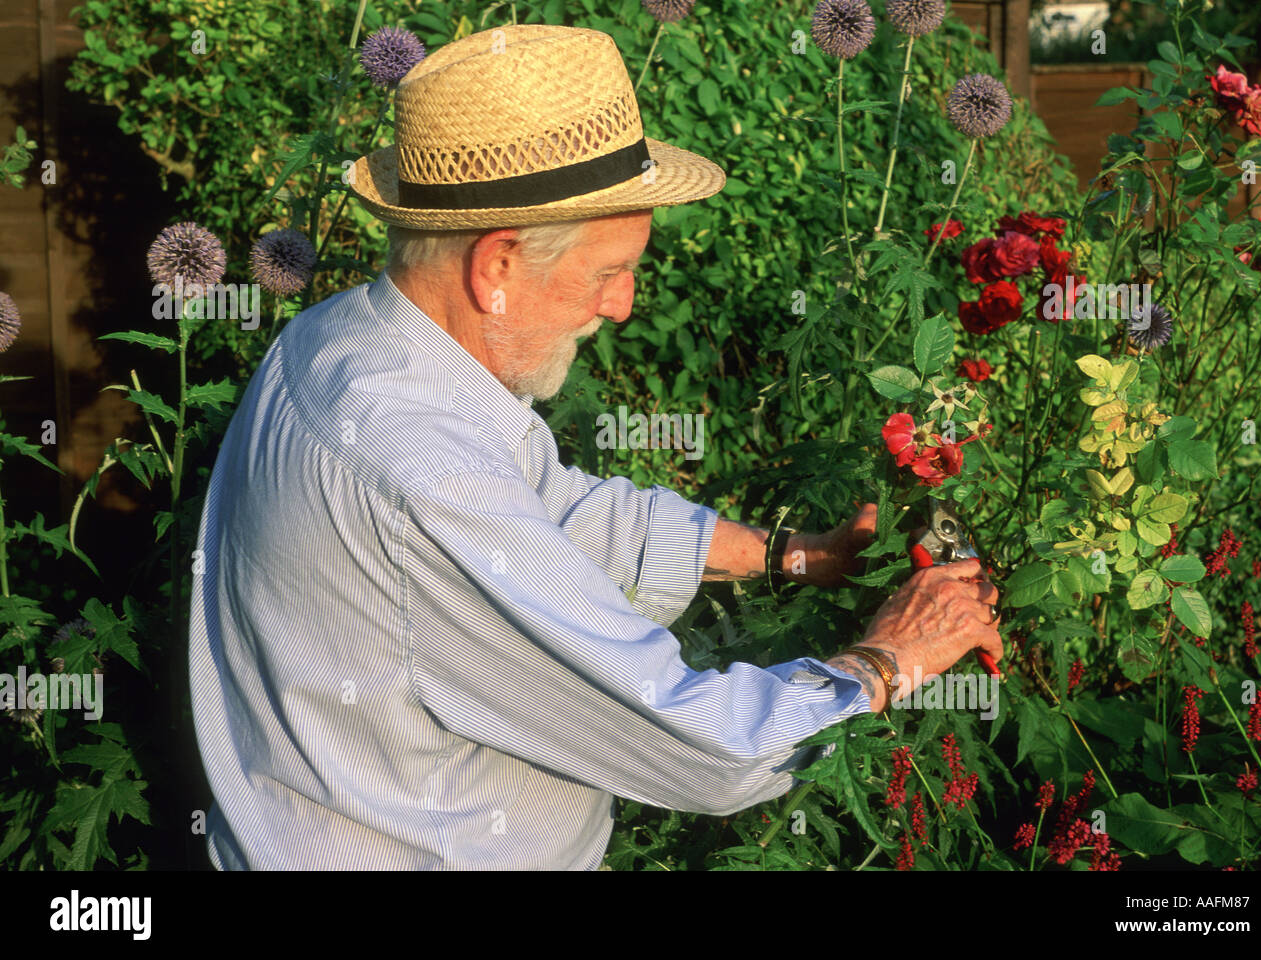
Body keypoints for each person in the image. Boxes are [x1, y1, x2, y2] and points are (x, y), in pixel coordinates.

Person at [189, 22, 1001, 870]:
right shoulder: (422, 471)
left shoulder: (339, 339)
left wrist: (794, 558)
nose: (623, 306)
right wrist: (888, 658)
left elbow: (551, 510)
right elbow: (697, 744)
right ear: (496, 266)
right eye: (608, 272)